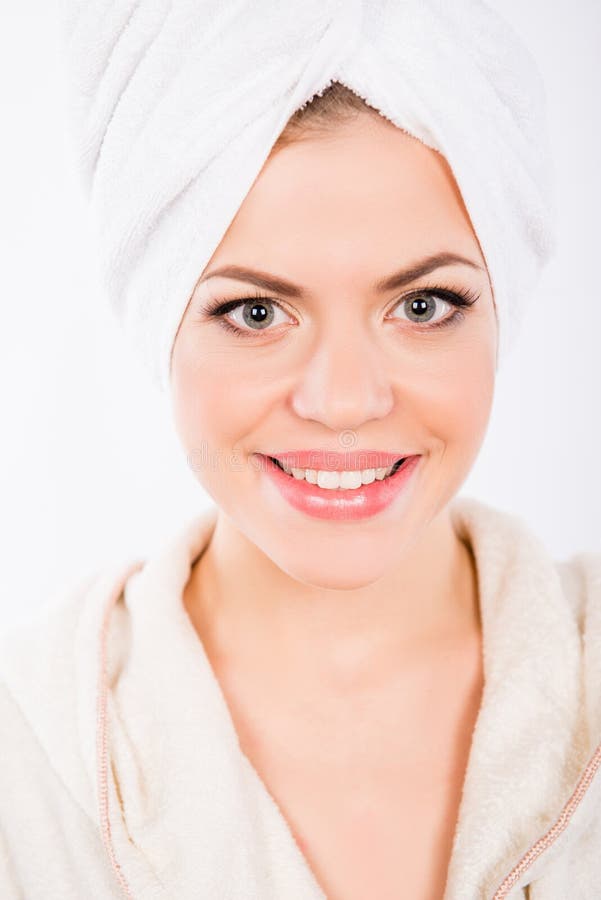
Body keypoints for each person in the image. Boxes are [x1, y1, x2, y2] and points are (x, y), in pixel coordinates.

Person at [1, 5, 600, 900]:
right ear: (157, 321)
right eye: (254, 313)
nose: (345, 401)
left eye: (425, 304)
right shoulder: (25, 751)